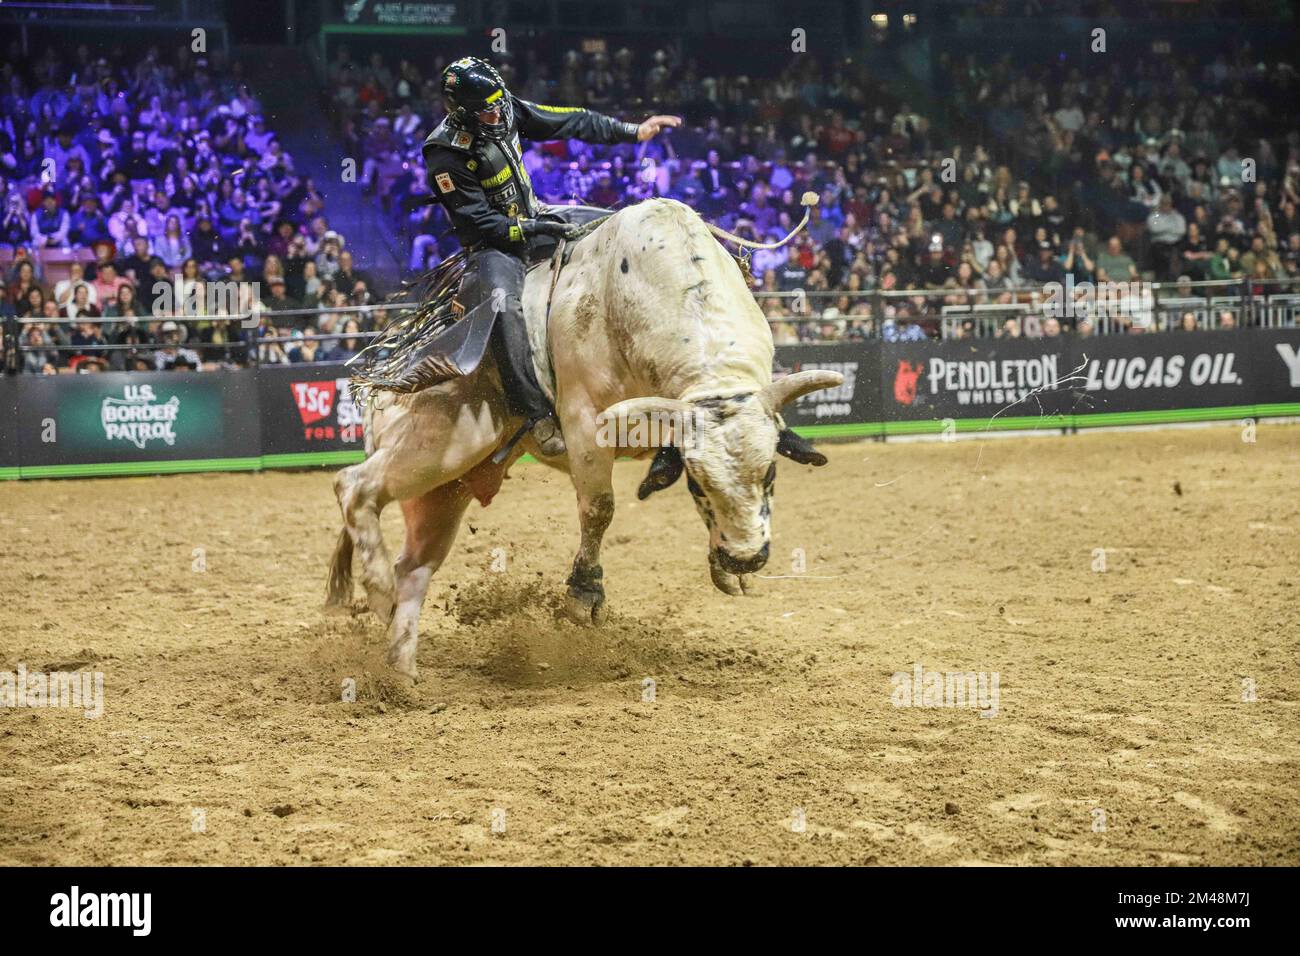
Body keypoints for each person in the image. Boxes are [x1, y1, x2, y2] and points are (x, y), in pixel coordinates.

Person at [422, 56, 681, 455]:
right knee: (504, 308)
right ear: (463, 113)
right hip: (494, 245)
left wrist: (632, 131)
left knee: (619, 227)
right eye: (489, 111)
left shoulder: (503, 107)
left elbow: (568, 120)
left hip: (536, 214)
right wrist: (526, 230)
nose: (500, 114)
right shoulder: (444, 153)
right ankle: (534, 414)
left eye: (501, 103)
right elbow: (473, 221)